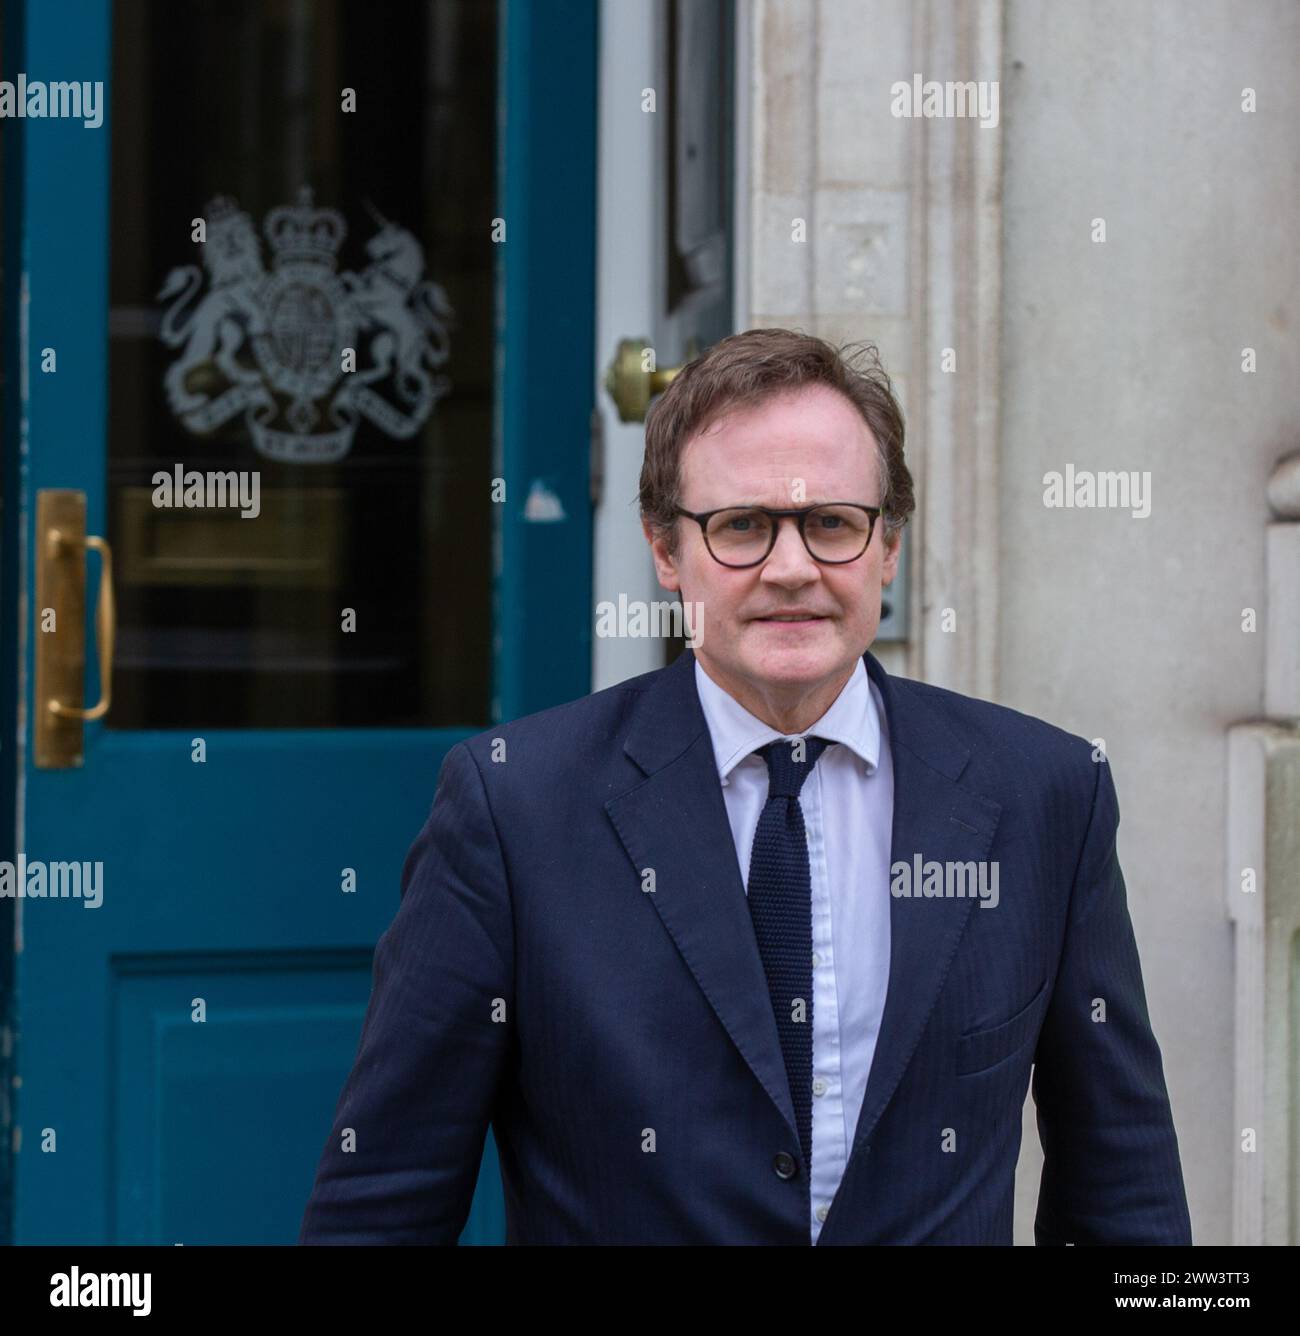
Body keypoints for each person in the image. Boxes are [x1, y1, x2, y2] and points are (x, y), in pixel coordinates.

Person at [299, 327, 1192, 1245]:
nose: (792, 568)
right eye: (743, 527)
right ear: (665, 551)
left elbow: (1121, 1176)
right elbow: (387, 1197)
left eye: (832, 524)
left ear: (887, 546)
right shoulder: (513, 808)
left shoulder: (1043, 794)